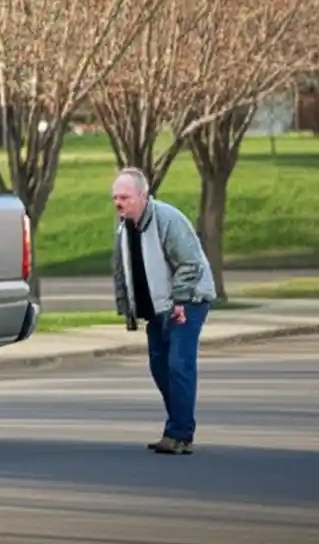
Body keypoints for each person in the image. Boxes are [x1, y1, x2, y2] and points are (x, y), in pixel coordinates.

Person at [110, 167, 216, 455]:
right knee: (159, 366)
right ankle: (177, 427)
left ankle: (180, 434)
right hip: (158, 307)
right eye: (115, 197)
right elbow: (123, 272)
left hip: (188, 299)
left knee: (179, 364)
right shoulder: (123, 228)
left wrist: (180, 301)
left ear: (143, 196)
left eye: (125, 197)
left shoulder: (167, 219)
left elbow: (190, 263)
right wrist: (129, 310)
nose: (118, 203)